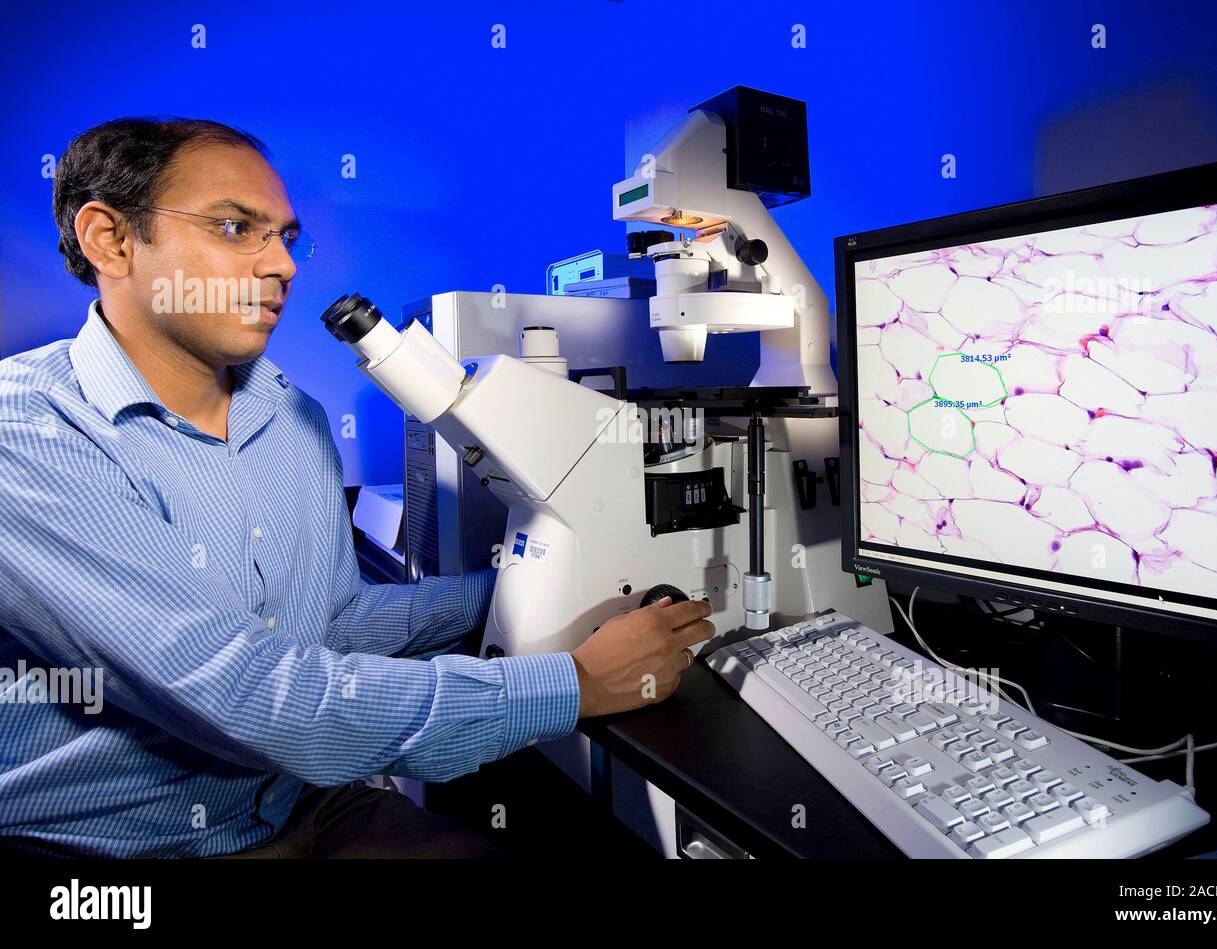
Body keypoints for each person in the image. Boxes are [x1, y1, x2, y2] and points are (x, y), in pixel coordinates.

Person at [0, 117, 713, 858]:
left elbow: (332, 624)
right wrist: (575, 683)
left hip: (289, 805)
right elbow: (248, 695)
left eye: (284, 235)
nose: (282, 264)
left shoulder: (292, 418)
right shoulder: (27, 434)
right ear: (110, 240)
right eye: (237, 227)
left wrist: (547, 589)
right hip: (105, 854)